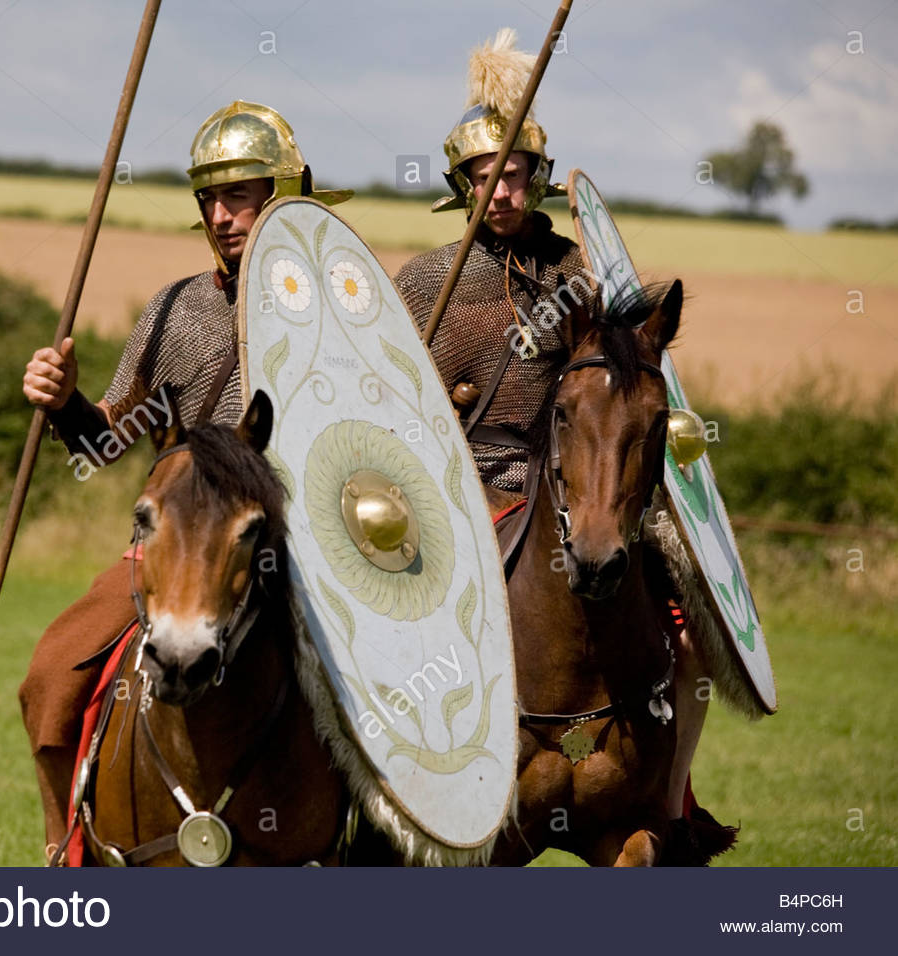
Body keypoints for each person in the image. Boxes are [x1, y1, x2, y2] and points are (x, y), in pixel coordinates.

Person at [393, 29, 734, 862]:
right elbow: (389, 394)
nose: (499, 191)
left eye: (512, 174)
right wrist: (440, 397)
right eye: (483, 177)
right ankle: (395, 786)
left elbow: (629, 364)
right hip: (461, 477)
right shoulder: (427, 281)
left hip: (574, 479)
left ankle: (670, 795)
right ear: (460, 186)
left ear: (535, 179)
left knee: (685, 620)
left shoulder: (578, 274)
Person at [18, 100, 351, 860]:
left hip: (298, 557)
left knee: (398, 706)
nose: (222, 215)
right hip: (174, 550)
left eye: (240, 194)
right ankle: (65, 845)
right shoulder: (177, 310)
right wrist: (64, 400)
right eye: (208, 197)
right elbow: (109, 442)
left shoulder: (335, 313)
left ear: (287, 195)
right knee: (49, 678)